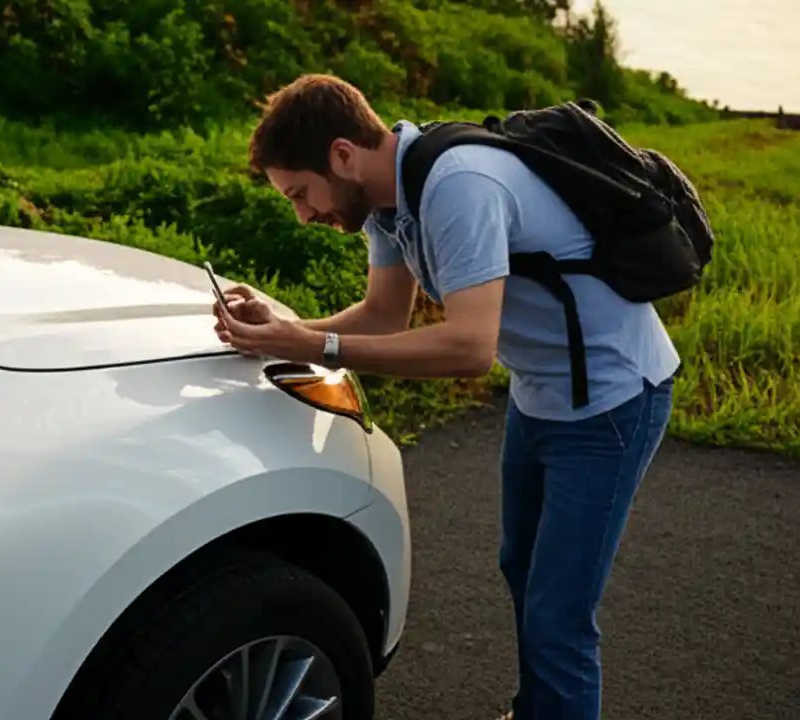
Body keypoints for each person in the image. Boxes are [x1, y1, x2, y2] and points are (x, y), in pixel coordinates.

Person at [211, 73, 679, 720]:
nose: (303, 213)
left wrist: (312, 348)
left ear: (343, 155)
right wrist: (282, 332)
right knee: (522, 570)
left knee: (558, 612)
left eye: (300, 193)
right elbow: (382, 316)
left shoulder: (458, 185)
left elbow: (468, 349)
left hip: (612, 402)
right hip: (541, 394)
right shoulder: (385, 200)